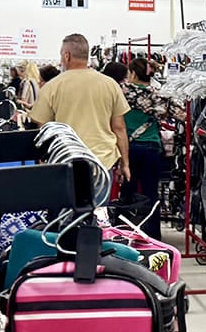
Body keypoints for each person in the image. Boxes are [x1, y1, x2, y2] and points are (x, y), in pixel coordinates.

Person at [30, 33, 131, 179]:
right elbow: (119, 128)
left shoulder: (52, 87)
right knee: (99, 202)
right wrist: (125, 164)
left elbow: (44, 128)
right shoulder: (110, 85)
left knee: (67, 201)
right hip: (102, 161)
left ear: (66, 55)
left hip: (65, 160)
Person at [120, 58, 168, 237]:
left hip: (129, 148)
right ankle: (154, 235)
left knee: (127, 193)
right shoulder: (158, 94)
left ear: (132, 73)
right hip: (151, 147)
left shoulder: (123, 93)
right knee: (151, 194)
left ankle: (123, 233)